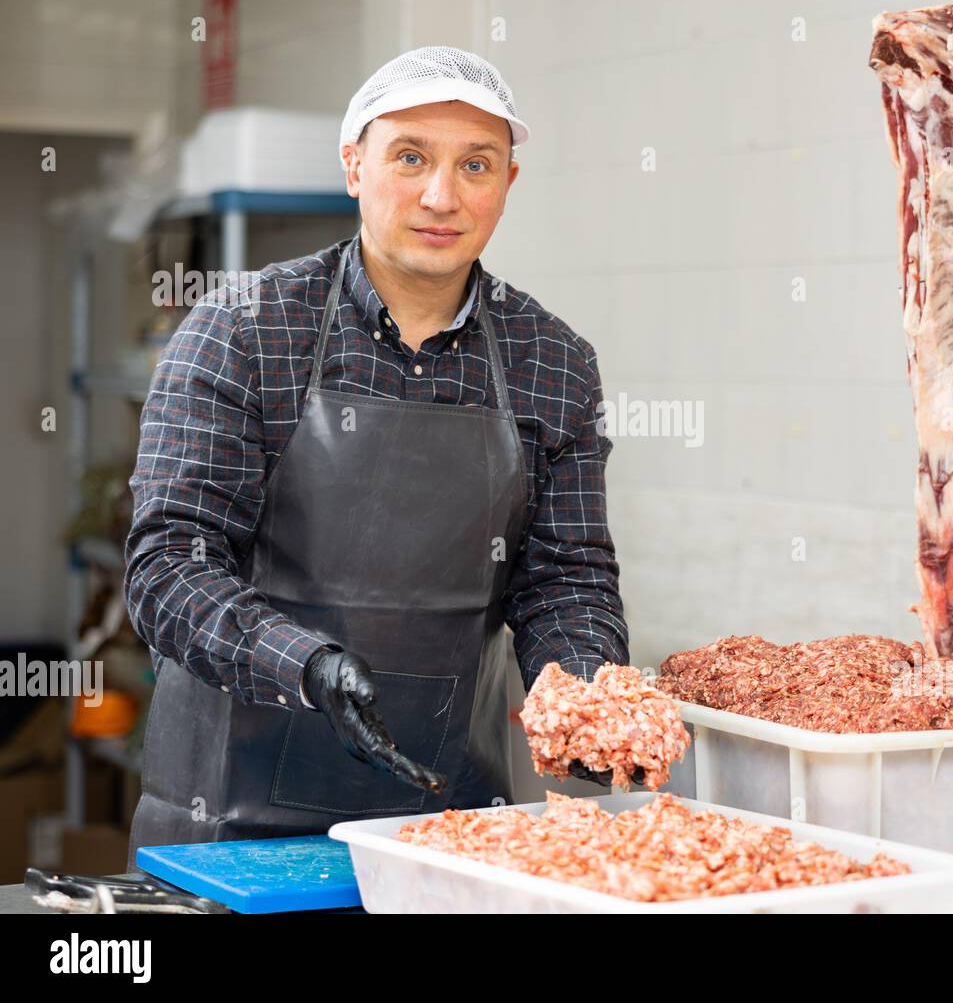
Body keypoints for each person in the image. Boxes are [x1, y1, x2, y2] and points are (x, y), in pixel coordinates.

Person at [124, 47, 629, 859]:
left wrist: (586, 690)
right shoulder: (244, 329)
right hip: (233, 825)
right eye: (410, 157)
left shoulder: (553, 358)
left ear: (508, 183)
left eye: (476, 165)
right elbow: (168, 567)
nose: (442, 195)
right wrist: (308, 663)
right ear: (353, 165)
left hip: (449, 822)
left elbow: (564, 578)